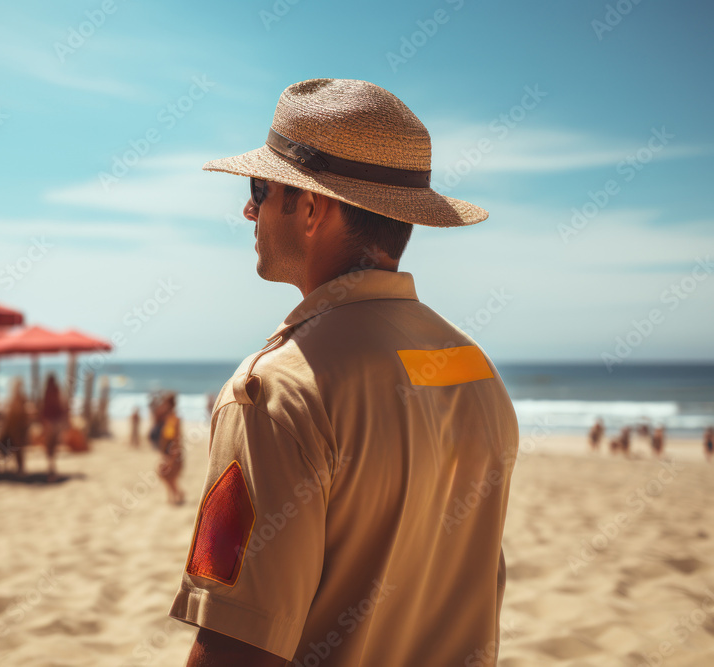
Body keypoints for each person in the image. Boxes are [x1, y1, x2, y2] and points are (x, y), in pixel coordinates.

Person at [169, 79, 519, 666]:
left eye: (262, 187)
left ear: (310, 208)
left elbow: (237, 648)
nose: (248, 209)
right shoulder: (475, 370)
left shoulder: (278, 391)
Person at [155, 393, 185, 505]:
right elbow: (164, 436)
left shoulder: (175, 419)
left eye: (165, 403)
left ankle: (176, 495)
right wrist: (162, 451)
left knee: (169, 475)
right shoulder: (167, 418)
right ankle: (175, 495)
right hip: (167, 450)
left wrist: (174, 455)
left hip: (173, 450)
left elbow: (177, 438)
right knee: (165, 474)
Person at [41, 373, 68, 477]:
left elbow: (45, 408)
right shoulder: (56, 390)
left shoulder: (48, 391)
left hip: (50, 421)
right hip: (55, 421)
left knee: (50, 444)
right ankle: (52, 465)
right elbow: (60, 406)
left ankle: (51, 465)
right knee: (53, 444)